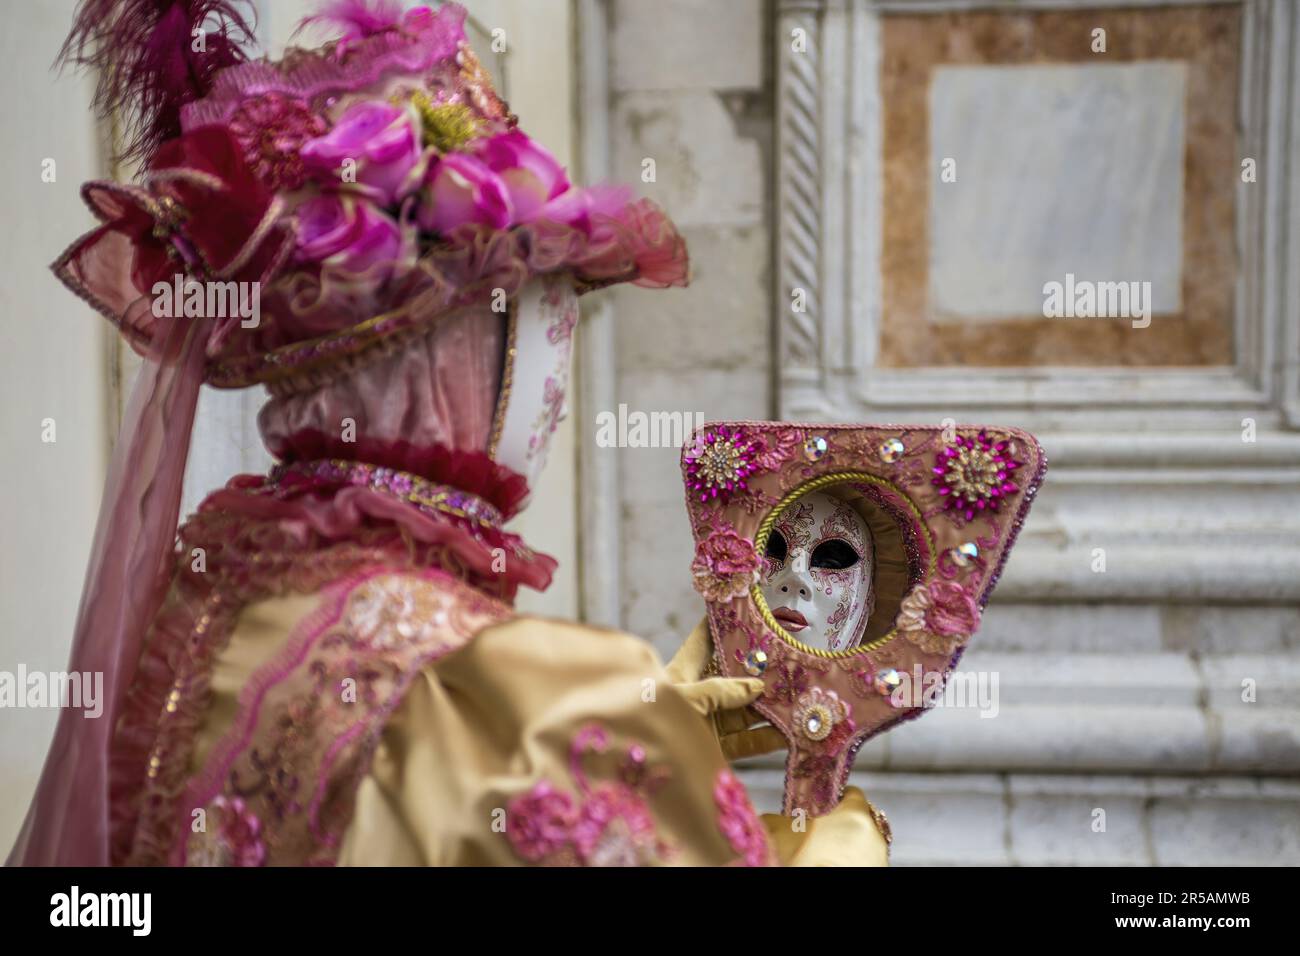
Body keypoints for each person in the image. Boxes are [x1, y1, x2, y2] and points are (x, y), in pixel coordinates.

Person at [9, 0, 889, 867]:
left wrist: (641, 748)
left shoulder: (216, 602)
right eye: (547, 311)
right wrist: (842, 841)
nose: (560, 373)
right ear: (456, 352)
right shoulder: (504, 697)